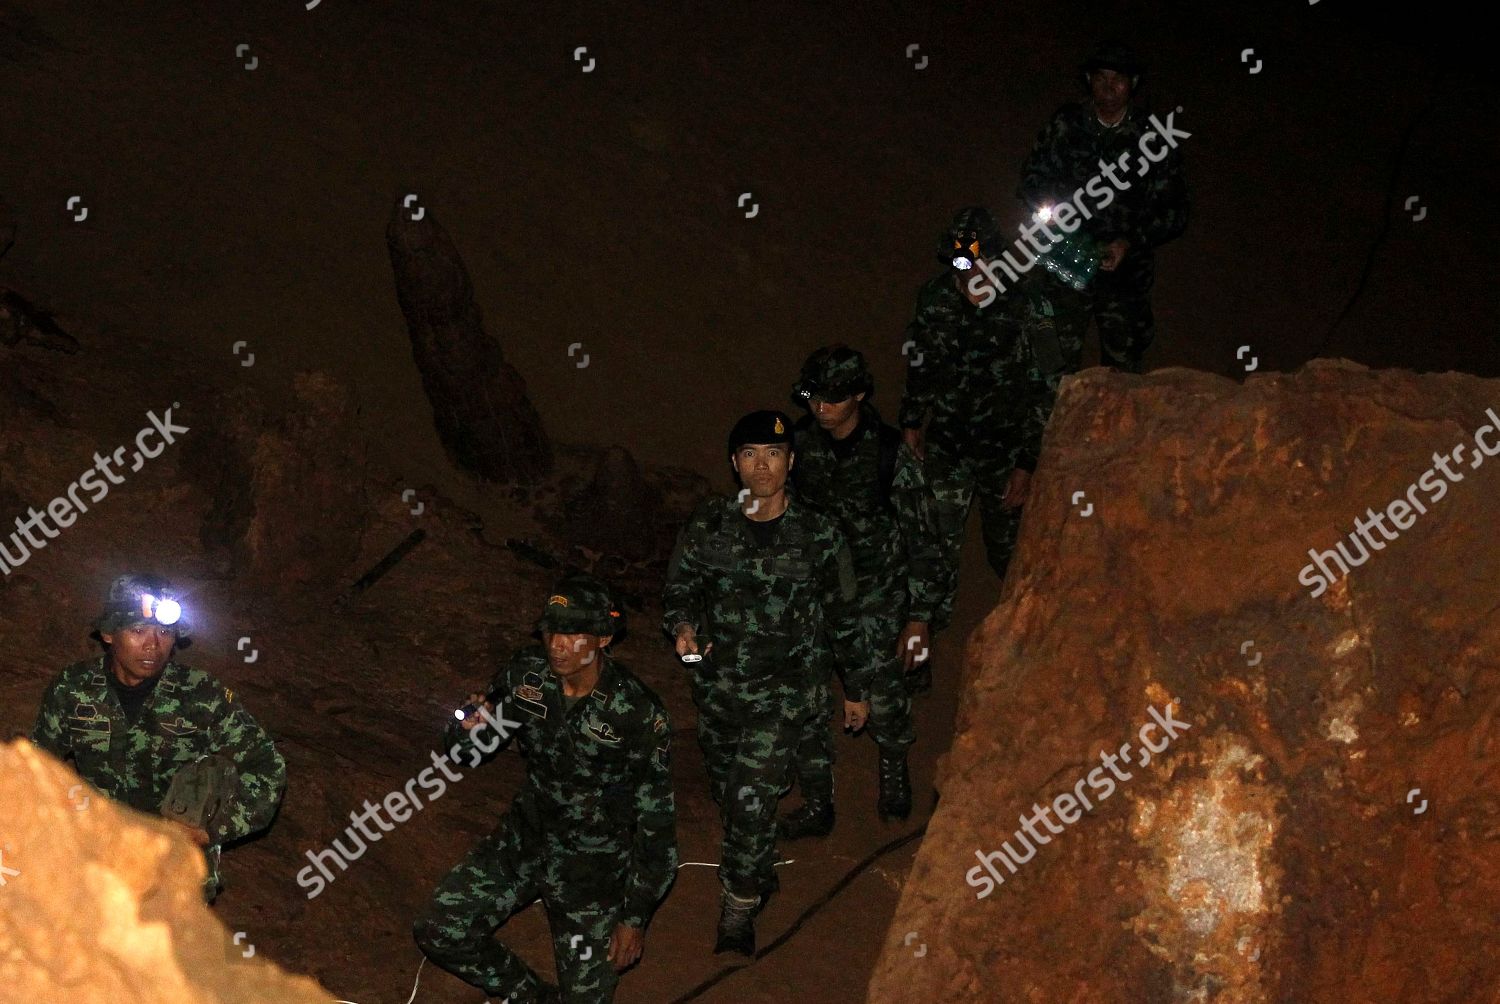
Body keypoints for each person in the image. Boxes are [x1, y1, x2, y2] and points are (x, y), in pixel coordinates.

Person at [662, 409, 874, 955]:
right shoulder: (708, 525)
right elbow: (680, 589)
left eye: (774, 454)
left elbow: (845, 614)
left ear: (791, 462)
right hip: (719, 692)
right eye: (751, 454)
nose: (763, 465)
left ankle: (738, 907)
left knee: (751, 798)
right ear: (735, 463)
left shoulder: (820, 534)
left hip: (786, 695)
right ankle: (755, 864)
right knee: (729, 797)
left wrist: (856, 686)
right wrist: (683, 627)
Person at [413, 573, 676, 1004]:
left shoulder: (638, 714)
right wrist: (466, 729)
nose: (557, 644)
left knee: (586, 996)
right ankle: (531, 996)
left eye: (573, 634)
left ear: (603, 639)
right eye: (551, 631)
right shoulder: (527, 675)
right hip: (524, 839)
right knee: (440, 928)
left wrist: (634, 917)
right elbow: (472, 752)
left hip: (589, 871)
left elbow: (657, 825)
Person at [31, 573, 286, 902]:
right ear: (109, 633)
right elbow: (37, 768)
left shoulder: (200, 695)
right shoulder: (73, 689)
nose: (153, 644)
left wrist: (209, 830)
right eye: (138, 631)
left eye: (164, 632)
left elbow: (267, 766)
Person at [781, 345, 943, 837]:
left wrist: (919, 618)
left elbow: (923, 537)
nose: (820, 407)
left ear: (859, 396)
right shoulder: (797, 445)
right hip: (815, 590)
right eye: (813, 397)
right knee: (807, 694)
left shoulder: (890, 453)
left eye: (832, 398)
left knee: (885, 692)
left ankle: (893, 766)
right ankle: (817, 797)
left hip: (877, 593)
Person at [899, 207, 1065, 628]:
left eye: (978, 259)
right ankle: (928, 633)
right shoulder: (935, 299)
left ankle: (1029, 625)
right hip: (948, 445)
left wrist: (1028, 463)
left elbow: (1047, 390)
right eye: (960, 263)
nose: (970, 272)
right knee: (937, 546)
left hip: (1005, 453)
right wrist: (912, 420)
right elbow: (921, 363)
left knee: (1009, 548)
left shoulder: (1030, 306)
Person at [1017, 40, 1190, 373]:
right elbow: (1032, 179)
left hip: (1124, 272)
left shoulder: (1152, 138)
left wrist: (1130, 241)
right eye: (1101, 78)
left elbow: (1175, 210)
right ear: (1089, 80)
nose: (1109, 88)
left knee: (1122, 368)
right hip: (1067, 259)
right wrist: (1053, 216)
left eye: (1118, 79)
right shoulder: (1066, 124)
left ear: (1133, 84)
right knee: (1051, 360)